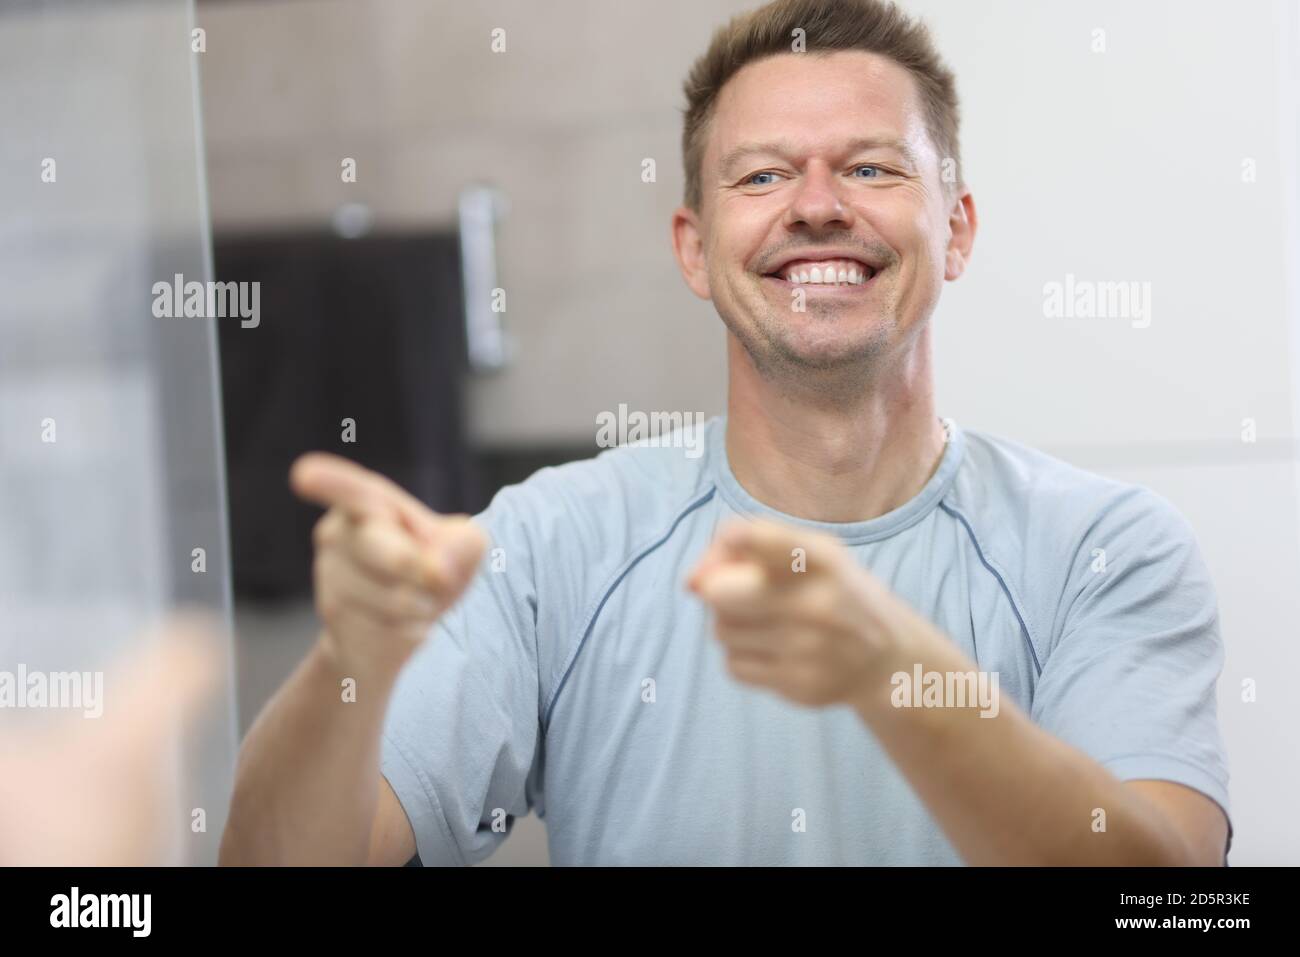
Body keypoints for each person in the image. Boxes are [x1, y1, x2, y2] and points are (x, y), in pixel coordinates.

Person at [220, 0, 1230, 866]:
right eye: (760, 178)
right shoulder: (544, 547)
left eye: (872, 169)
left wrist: (894, 676)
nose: (817, 207)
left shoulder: (1105, 551)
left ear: (956, 229)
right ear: (695, 251)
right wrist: (345, 666)